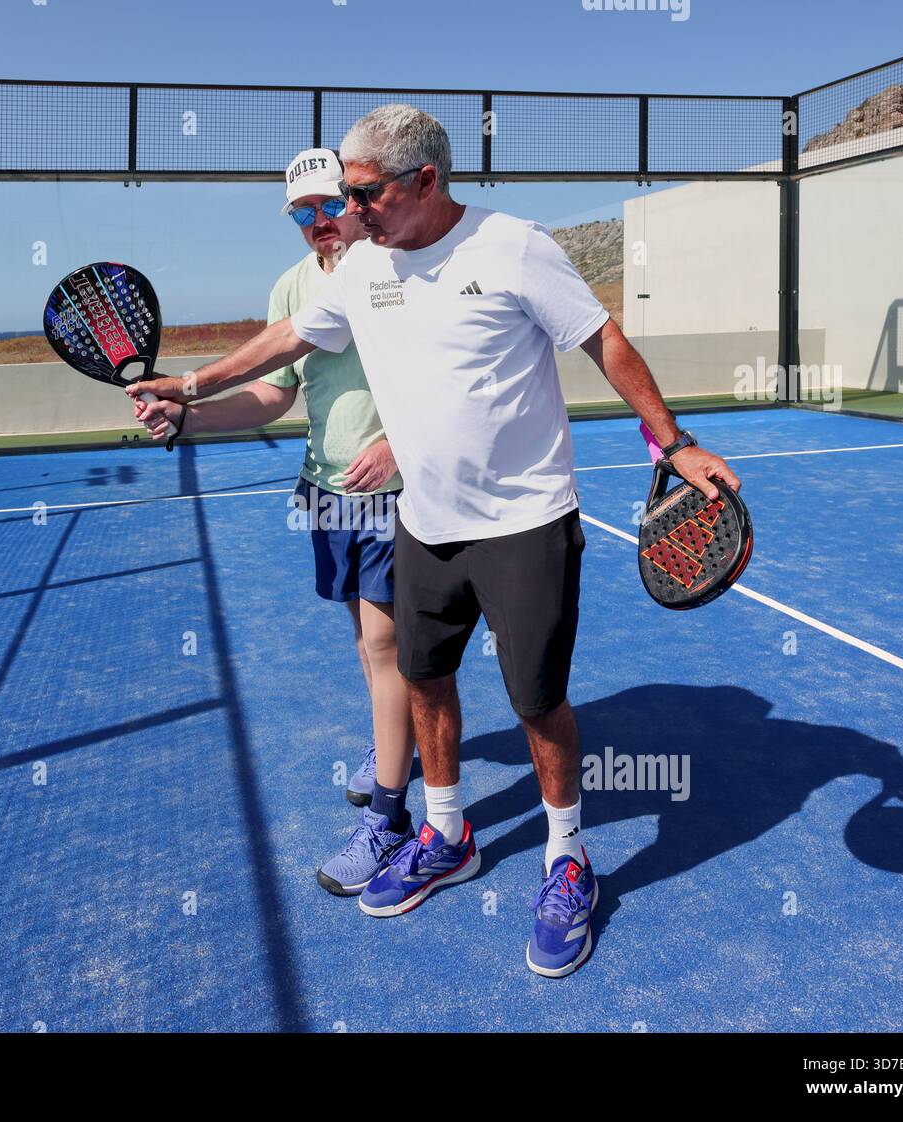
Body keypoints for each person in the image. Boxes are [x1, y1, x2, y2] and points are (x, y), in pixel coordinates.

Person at [131, 107, 739, 978]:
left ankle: (567, 857)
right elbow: (283, 343)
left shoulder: (514, 247)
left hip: (524, 522)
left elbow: (602, 337)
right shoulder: (363, 264)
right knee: (423, 678)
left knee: (536, 703)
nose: (348, 208)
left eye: (364, 191)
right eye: (344, 192)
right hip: (425, 524)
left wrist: (673, 444)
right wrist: (188, 386)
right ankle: (446, 833)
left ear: (425, 181)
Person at [137, 148, 419, 896]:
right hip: (326, 488)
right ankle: (391, 746)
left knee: (388, 643)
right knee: (365, 638)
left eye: (329, 205)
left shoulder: (401, 269)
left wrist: (398, 443)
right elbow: (272, 395)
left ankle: (390, 818)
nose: (319, 222)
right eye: (303, 213)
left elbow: (440, 376)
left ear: (357, 201)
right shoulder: (292, 287)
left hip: (396, 491)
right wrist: (186, 417)